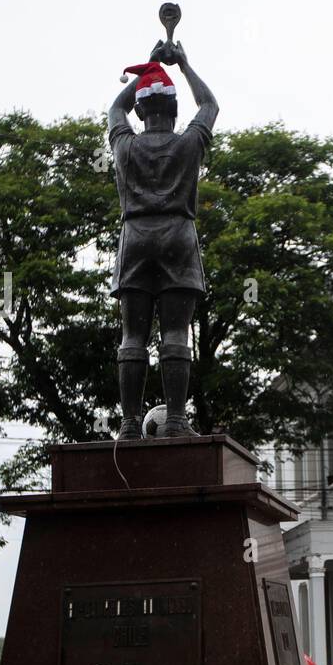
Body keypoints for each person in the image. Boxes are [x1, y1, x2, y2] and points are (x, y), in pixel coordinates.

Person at [108, 38, 219, 439]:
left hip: (135, 236)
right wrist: (183, 66)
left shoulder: (124, 145)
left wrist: (150, 65)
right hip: (177, 236)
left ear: (140, 111)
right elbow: (210, 106)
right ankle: (175, 420)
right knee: (175, 333)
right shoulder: (189, 143)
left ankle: (129, 424)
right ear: (174, 110)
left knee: (132, 336)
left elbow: (114, 109)